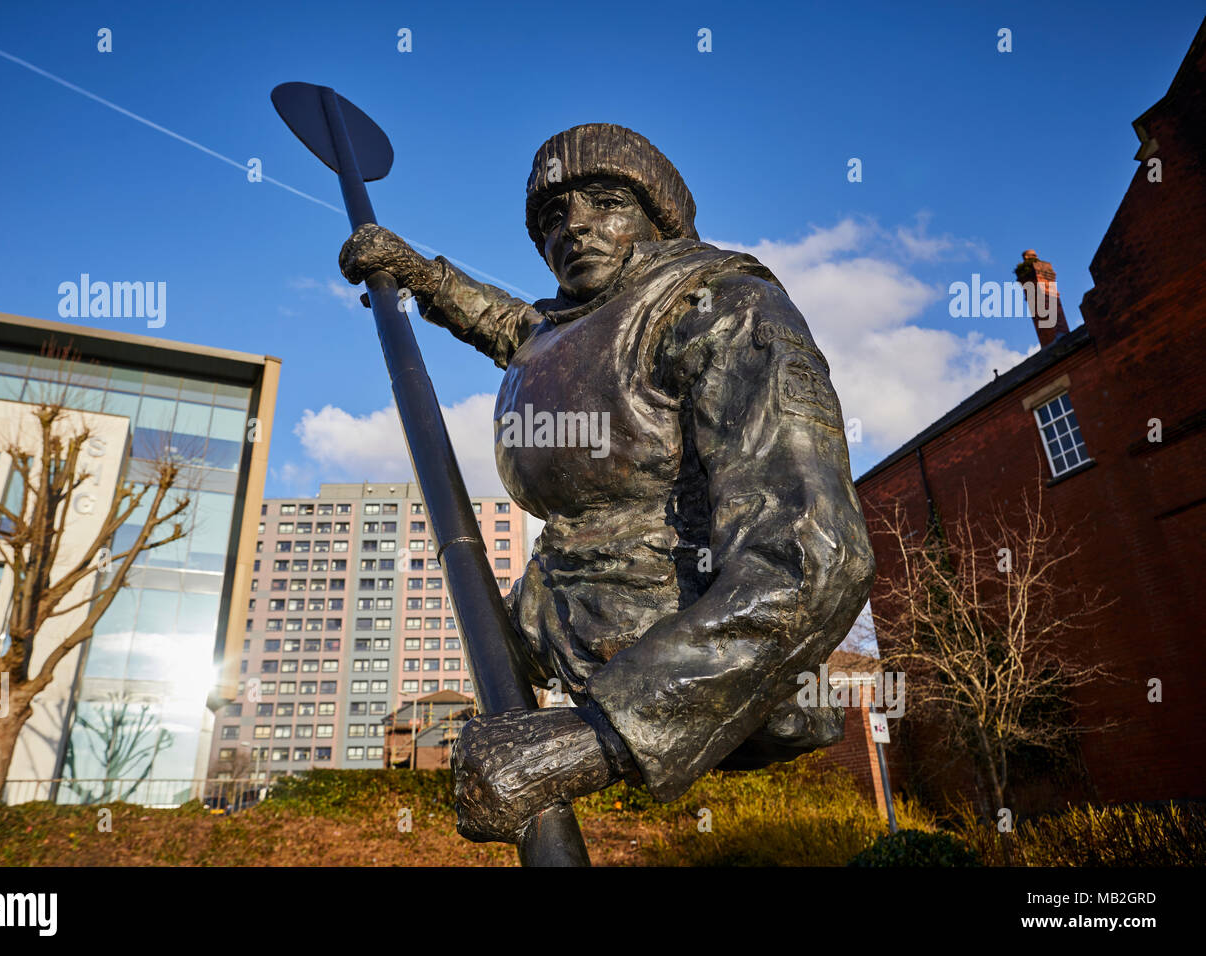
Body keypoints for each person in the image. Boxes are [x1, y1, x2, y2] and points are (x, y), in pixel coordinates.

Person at [339, 123, 875, 845]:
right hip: (555, 615)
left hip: (675, 641)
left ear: (658, 220)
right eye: (553, 216)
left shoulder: (724, 306)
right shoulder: (566, 322)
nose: (576, 226)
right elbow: (516, 327)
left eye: (605, 200)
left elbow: (815, 555)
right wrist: (425, 278)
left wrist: (595, 739)